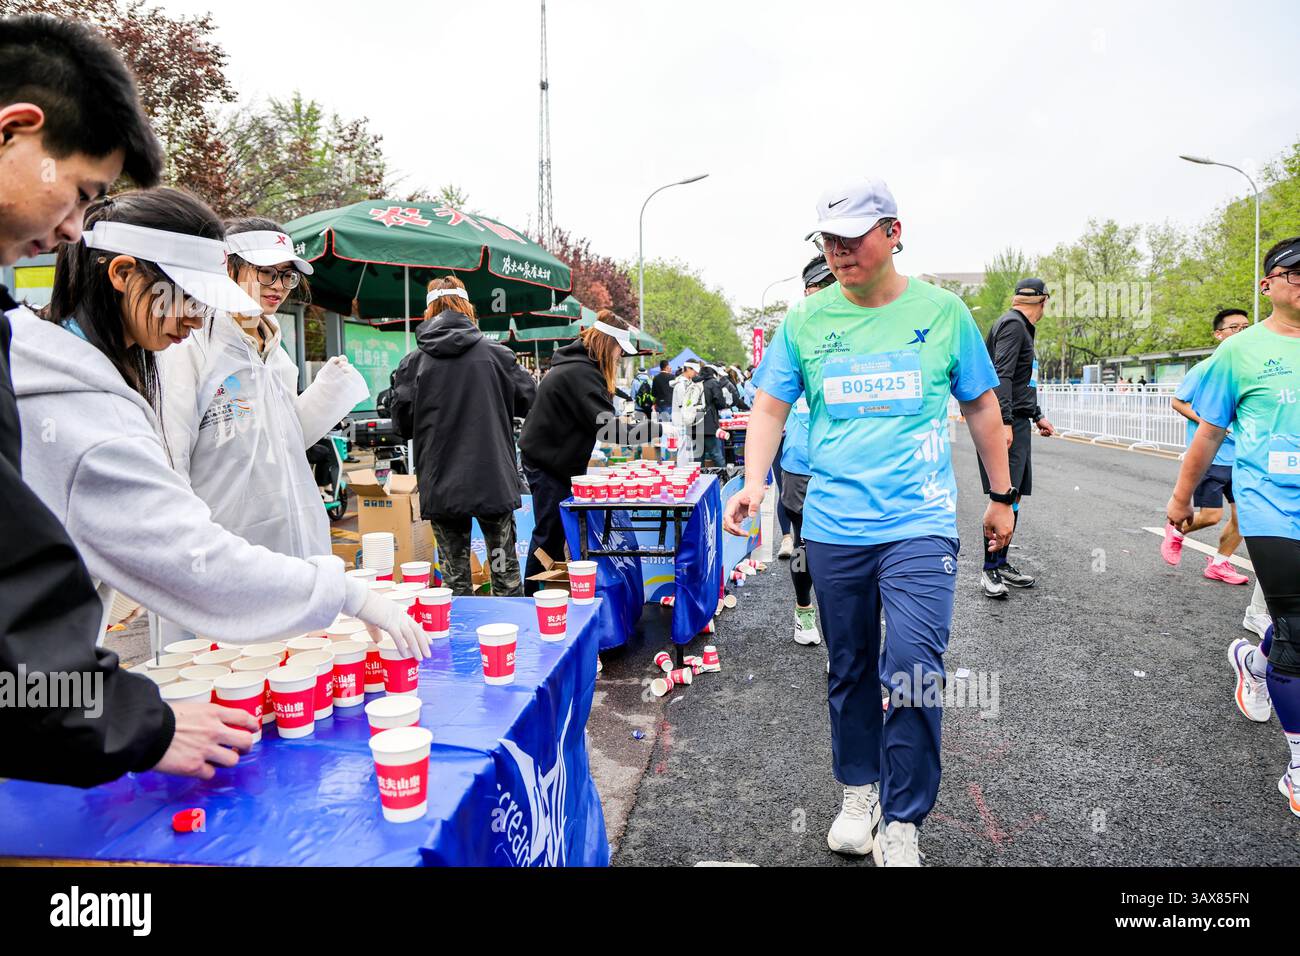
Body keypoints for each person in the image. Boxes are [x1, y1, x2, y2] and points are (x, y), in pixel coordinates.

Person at [0, 14, 259, 787]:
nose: (75, 229)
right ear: (16, 130)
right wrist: (133, 718)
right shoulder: (73, 382)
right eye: (81, 193)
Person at [724, 176, 1014, 865]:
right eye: (829, 239)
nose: (841, 250)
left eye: (853, 237)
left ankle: (905, 819)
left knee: (914, 664)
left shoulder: (944, 313)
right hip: (833, 525)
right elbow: (769, 405)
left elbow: (980, 405)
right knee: (849, 665)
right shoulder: (806, 321)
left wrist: (1002, 495)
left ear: (892, 231)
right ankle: (860, 789)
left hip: (919, 521)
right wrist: (754, 482)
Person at [11, 188, 430, 653]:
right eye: (189, 297)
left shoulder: (120, 364)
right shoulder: (91, 400)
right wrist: (344, 593)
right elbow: (173, 538)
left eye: (285, 277)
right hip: (189, 593)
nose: (196, 319)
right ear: (123, 274)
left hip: (64, 663)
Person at [155, 218, 368, 642]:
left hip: (292, 541)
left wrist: (328, 393)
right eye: (266, 271)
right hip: (220, 550)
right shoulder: (191, 347)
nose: (279, 285)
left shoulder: (278, 355)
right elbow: (171, 456)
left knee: (292, 668)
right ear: (227, 267)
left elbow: (282, 443)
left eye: (287, 275)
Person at [1167, 236, 1300, 815]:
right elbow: (1209, 431)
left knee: (1294, 630)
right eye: (1293, 270)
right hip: (1270, 503)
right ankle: (1297, 767)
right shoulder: (1237, 352)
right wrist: (1179, 499)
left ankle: (1252, 661)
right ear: (1269, 283)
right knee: (1297, 628)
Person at [390, 275, 536, 597]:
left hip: (441, 484)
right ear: (468, 307)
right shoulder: (497, 355)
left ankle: (458, 643)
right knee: (505, 576)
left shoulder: (413, 363)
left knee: (456, 584)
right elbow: (530, 401)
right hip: (492, 480)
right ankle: (509, 642)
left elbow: (401, 425)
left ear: (428, 312)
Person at [519, 310, 638, 594]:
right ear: (608, 343)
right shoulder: (581, 373)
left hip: (552, 461)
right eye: (620, 349)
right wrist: (653, 431)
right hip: (547, 463)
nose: (620, 356)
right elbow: (609, 430)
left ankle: (550, 590)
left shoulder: (580, 368)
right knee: (549, 532)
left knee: (556, 530)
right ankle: (532, 595)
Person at [977, 277, 1056, 599]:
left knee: (1016, 495)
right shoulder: (1013, 325)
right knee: (1003, 495)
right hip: (1007, 423)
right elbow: (1002, 374)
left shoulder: (1020, 325)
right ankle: (989, 569)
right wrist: (1005, 421)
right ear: (1044, 302)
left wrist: (1037, 415)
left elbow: (1023, 381)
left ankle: (1002, 562)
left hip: (1020, 421)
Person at [1161, 308, 1252, 585]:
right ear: (1218, 334)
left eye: (1246, 327)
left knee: (1244, 518)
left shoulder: (1251, 369)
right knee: (1211, 516)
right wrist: (1211, 423)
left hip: (1243, 456)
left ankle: (1220, 563)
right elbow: (1178, 401)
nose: (1241, 333)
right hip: (1212, 456)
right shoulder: (1206, 368)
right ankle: (1175, 530)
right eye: (1234, 328)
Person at [782, 255, 836, 646]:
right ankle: (804, 611)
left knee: (849, 549)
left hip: (848, 462)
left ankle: (846, 629)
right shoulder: (796, 330)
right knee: (804, 545)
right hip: (802, 461)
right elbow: (769, 404)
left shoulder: (868, 327)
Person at [671, 360, 704, 462]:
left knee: (688, 450)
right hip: (681, 421)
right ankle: (683, 473)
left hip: (685, 421)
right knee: (683, 450)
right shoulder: (681, 385)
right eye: (694, 370)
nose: (696, 373)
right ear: (688, 369)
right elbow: (684, 406)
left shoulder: (687, 383)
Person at [697, 363, 729, 466]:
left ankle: (698, 480)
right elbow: (720, 403)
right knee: (716, 454)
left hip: (694, 424)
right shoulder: (713, 383)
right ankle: (724, 479)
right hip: (709, 425)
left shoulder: (695, 383)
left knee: (698, 457)